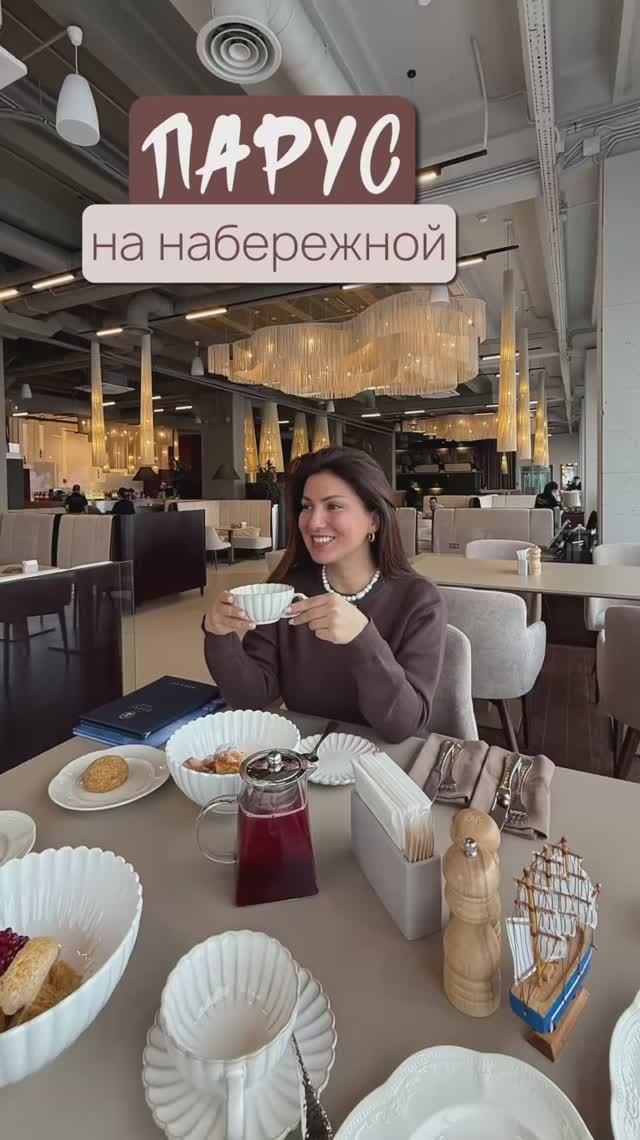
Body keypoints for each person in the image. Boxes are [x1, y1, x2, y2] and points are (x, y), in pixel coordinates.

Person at [204, 447, 446, 742]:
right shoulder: (287, 591)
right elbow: (252, 700)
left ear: (374, 520)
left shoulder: (419, 600)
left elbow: (402, 727)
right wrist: (219, 635)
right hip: (309, 755)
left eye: (333, 506)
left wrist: (362, 638)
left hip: (387, 759)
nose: (313, 522)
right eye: (307, 507)